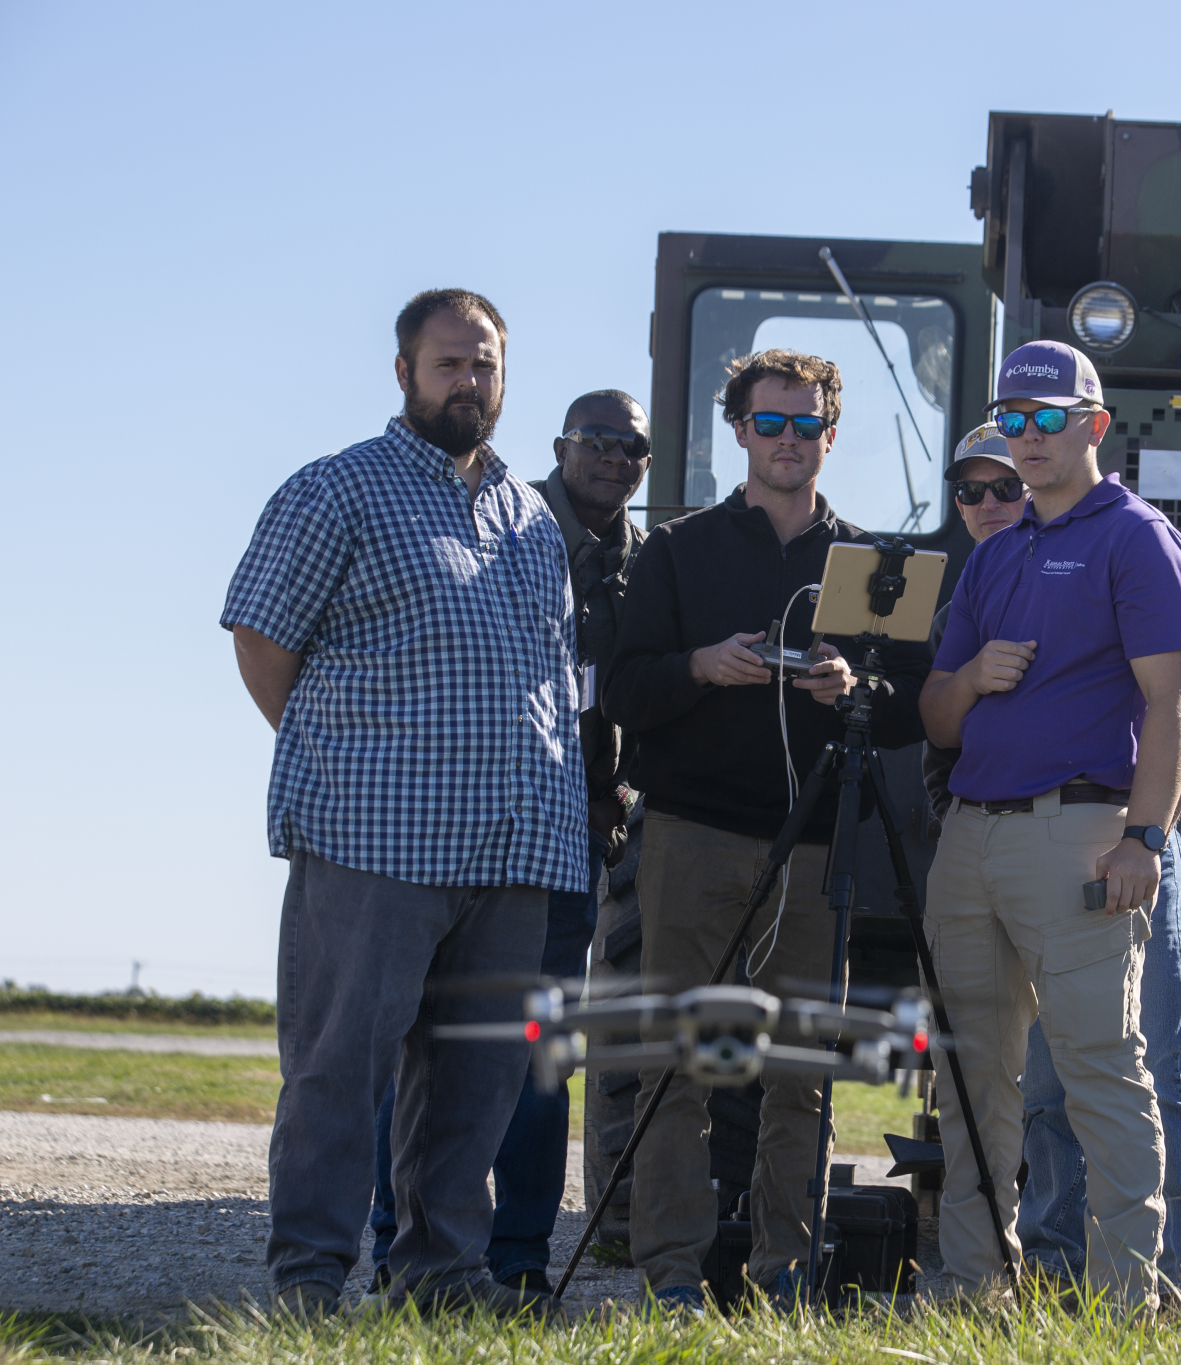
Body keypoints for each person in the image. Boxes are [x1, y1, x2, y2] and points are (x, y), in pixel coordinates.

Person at [220, 289, 583, 1317]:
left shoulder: (529, 518)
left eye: (485, 366)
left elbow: (549, 678)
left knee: (475, 1089)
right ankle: (308, 1279)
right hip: (371, 841)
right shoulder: (337, 491)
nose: (469, 382)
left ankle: (439, 1277)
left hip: (513, 854)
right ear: (405, 374)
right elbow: (261, 643)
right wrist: (352, 761)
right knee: (340, 1071)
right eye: (449, 365)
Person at [603, 348, 932, 1310]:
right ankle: (671, 1273)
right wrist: (701, 667)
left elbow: (910, 710)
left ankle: (786, 1269)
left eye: (806, 425)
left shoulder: (877, 565)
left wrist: (852, 688)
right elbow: (625, 689)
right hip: (689, 836)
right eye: (770, 423)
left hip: (822, 846)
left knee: (802, 1072)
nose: (788, 441)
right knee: (676, 1065)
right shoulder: (675, 549)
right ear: (739, 430)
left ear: (831, 434)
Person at [919, 341, 1181, 1307]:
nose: (1026, 439)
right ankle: (973, 1290)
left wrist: (1145, 840)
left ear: (1093, 423)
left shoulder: (1137, 537)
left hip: (1078, 831)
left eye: (1046, 419)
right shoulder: (996, 555)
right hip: (971, 838)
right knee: (971, 1082)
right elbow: (935, 715)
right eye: (1012, 420)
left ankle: (1127, 1301)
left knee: (1101, 1075)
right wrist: (970, 676)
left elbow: (1174, 701)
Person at [365, 389, 652, 1295]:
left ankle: (521, 1260)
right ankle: (395, 1246)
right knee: (421, 1042)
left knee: (537, 1055)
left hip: (566, 839)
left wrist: (612, 794)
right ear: (564, 445)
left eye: (632, 446)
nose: (614, 457)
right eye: (598, 440)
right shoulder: (510, 527)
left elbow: (620, 695)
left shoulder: (649, 561)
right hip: (458, 825)